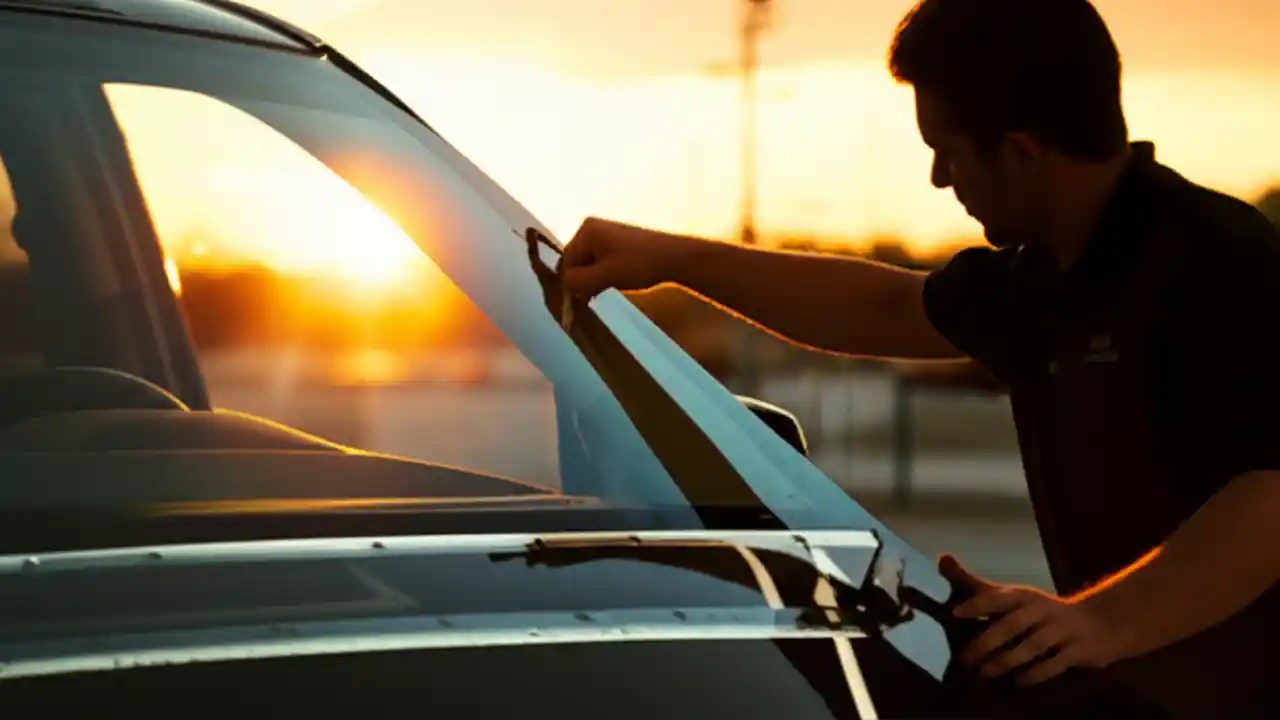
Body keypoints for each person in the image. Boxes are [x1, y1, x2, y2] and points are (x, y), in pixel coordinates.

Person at [557, 0, 1279, 715]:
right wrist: (675, 258)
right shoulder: (1049, 278)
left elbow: (1271, 493)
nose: (938, 177)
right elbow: (884, 307)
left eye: (949, 150)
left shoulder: (1220, 263)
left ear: (1021, 154)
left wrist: (1097, 621)